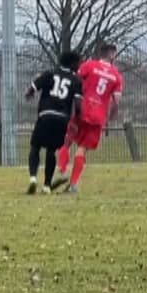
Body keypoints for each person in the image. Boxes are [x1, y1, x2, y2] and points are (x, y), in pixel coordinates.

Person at [59, 41, 124, 193]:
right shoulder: (116, 76)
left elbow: (75, 81)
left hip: (81, 109)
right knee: (82, 149)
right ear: (112, 54)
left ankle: (62, 166)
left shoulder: (89, 65)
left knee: (67, 140)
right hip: (97, 115)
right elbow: (116, 102)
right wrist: (112, 115)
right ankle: (73, 183)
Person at [25, 51, 84, 195]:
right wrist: (77, 118)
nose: (79, 66)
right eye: (78, 63)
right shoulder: (76, 80)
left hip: (45, 115)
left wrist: (29, 95)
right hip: (61, 119)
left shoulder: (49, 74)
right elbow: (77, 104)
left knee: (35, 147)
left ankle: (33, 178)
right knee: (51, 151)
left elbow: (32, 88)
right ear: (72, 63)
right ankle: (46, 186)